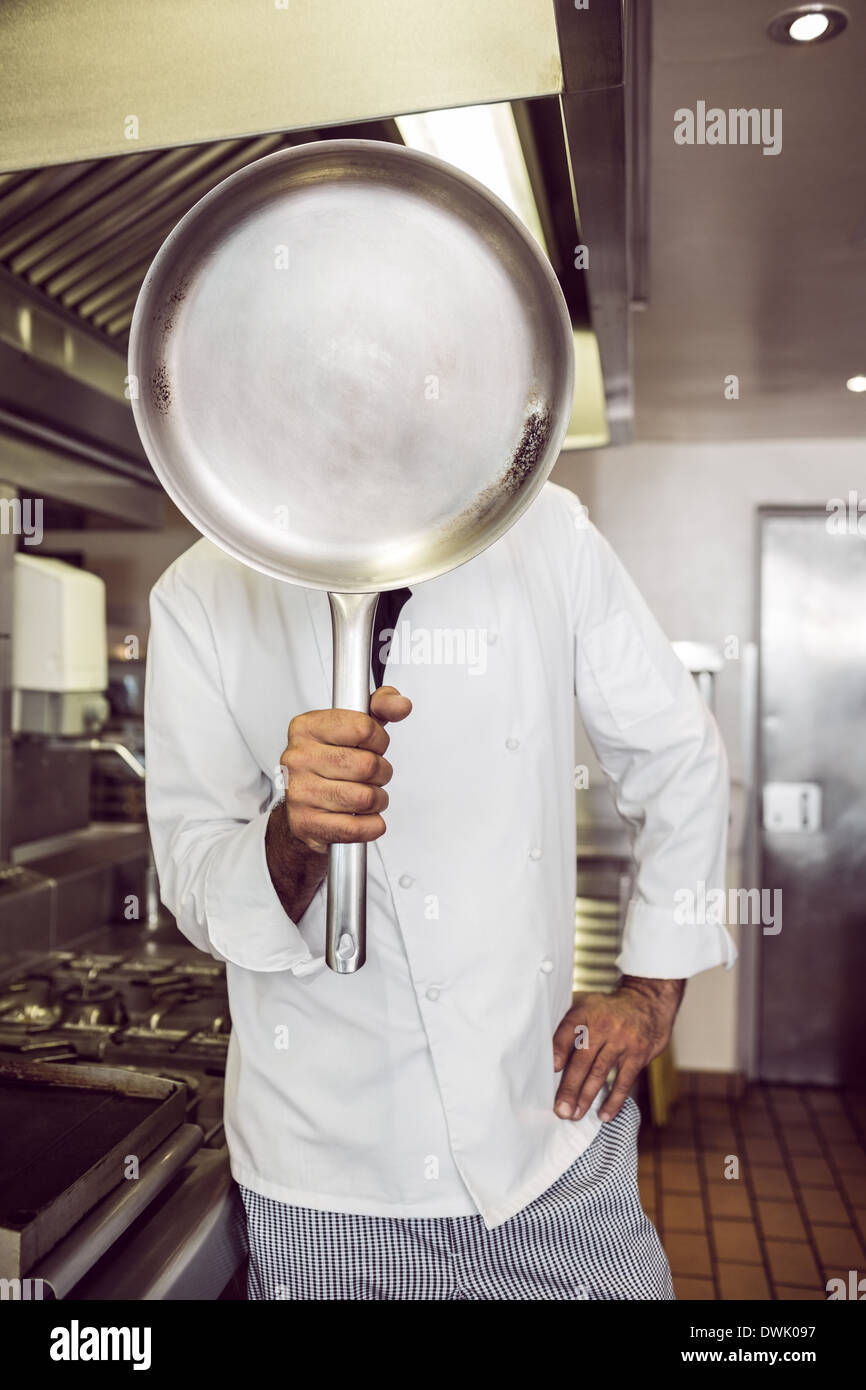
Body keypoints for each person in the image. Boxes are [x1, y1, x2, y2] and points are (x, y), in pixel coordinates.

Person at [145, 482, 735, 1300]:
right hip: (328, 1181)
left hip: (549, 1145)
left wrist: (651, 992)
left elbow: (677, 756)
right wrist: (297, 832)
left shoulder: (545, 532)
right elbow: (195, 874)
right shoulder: (202, 589)